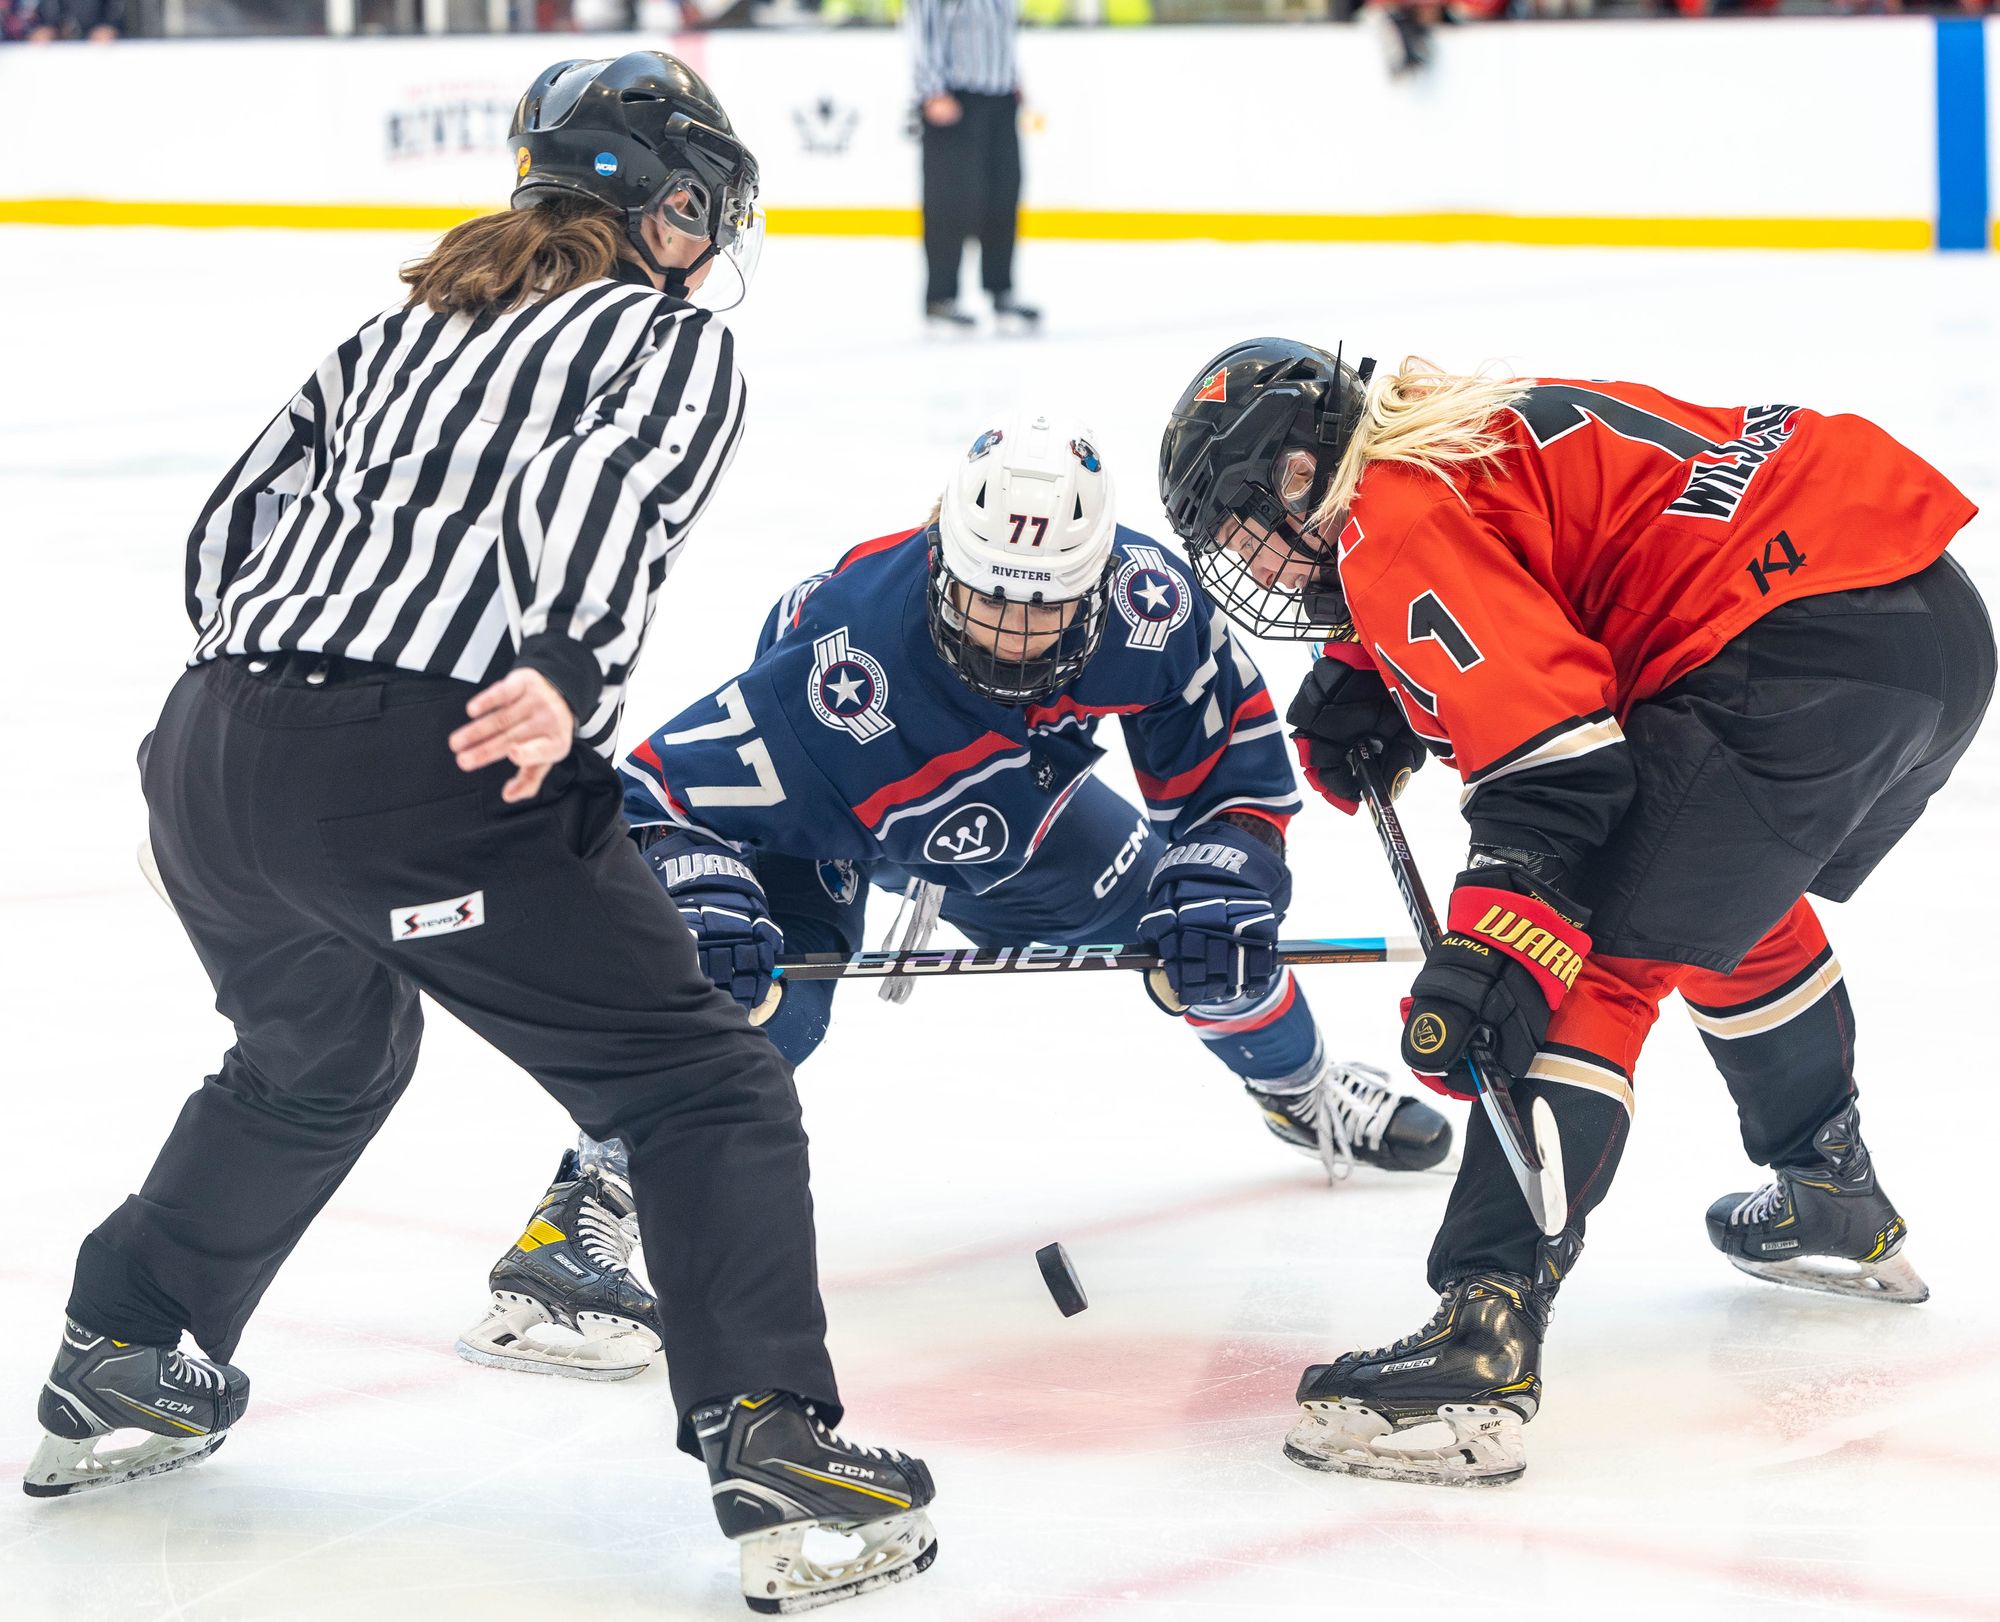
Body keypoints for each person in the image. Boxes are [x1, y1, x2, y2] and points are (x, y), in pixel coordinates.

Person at [24, 50, 937, 1613]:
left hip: (207, 748)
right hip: (429, 756)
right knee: (703, 1078)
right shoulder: (659, 334)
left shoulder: (398, 322)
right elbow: (605, 490)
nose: (714, 242)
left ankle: (126, 1346)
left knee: (319, 1057)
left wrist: (263, 702)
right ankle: (773, 1437)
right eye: (705, 210)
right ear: (665, 205)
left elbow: (231, 524)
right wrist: (567, 662)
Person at [455, 409, 1455, 1380]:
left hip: (1013, 809)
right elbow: (652, 794)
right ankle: (581, 1207)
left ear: (1099, 582)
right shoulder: (843, 657)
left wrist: (1228, 872)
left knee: (1208, 946)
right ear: (942, 560)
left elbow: (1228, 777)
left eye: (1045, 605)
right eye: (989, 601)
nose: (1013, 634)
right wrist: (701, 888)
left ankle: (1301, 1092)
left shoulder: (1148, 606)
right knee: (755, 1008)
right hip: (826, 816)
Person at [1157, 338, 1993, 1485]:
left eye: (1241, 522)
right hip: (1921, 624)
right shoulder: (1443, 423)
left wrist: (1494, 952)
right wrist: (1377, 661)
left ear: (1301, 476)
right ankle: (1830, 1193)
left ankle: (1481, 1340)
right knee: (1709, 899)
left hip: (1793, 652)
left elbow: (1555, 774)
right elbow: (1544, 567)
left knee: (1583, 951)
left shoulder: (1387, 518)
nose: (1241, 555)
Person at [905, 0, 1039, 334]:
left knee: (1003, 193)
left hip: (1000, 95)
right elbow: (923, 27)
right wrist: (931, 89)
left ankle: (1001, 290)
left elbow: (1002, 30)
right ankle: (940, 298)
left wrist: (1013, 78)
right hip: (953, 97)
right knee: (951, 199)